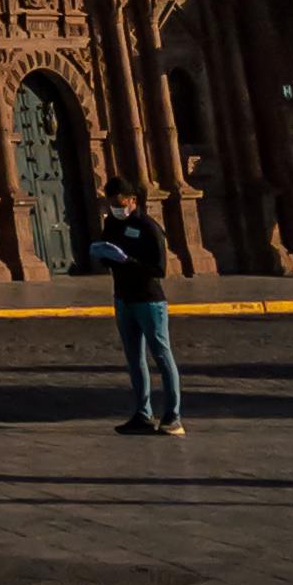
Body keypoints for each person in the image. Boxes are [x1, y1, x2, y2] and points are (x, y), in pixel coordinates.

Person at [88, 176, 184, 435]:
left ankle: (173, 416)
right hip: (123, 298)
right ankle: (143, 414)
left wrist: (127, 260)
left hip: (149, 300)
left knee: (162, 355)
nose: (113, 209)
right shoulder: (112, 226)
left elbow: (159, 269)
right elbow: (108, 259)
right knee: (134, 359)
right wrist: (102, 255)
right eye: (110, 204)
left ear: (132, 200)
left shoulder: (149, 227)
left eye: (118, 203)